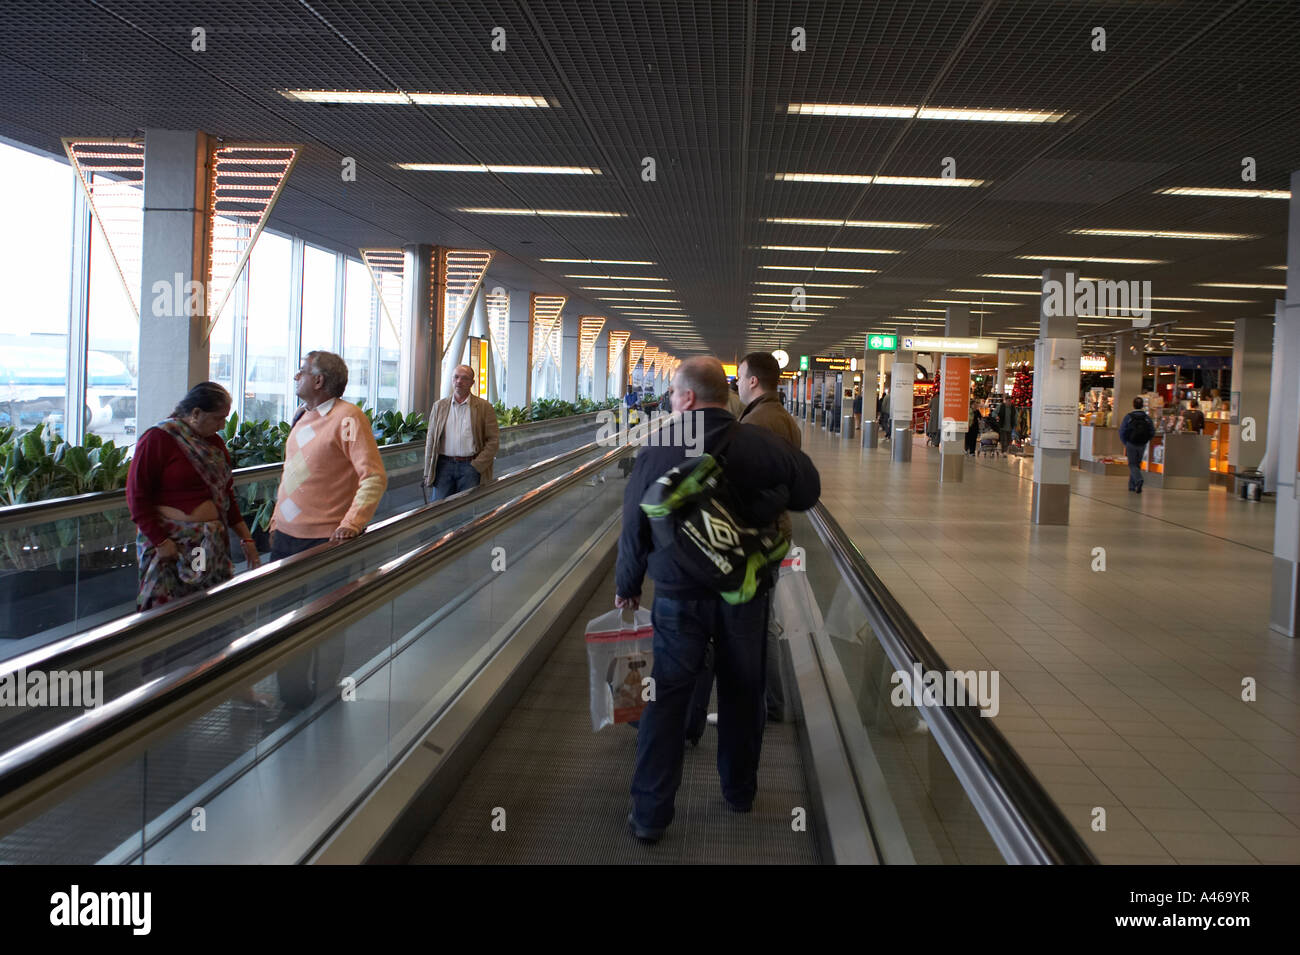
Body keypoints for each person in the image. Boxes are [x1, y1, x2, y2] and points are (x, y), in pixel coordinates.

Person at [616, 357, 820, 844]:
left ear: (687, 397)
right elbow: (808, 491)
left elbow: (633, 524)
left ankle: (650, 815)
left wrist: (628, 582)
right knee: (742, 689)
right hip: (744, 591)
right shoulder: (759, 442)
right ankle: (739, 792)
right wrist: (766, 501)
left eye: (672, 392)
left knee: (665, 698)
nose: (669, 400)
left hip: (677, 594)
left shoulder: (660, 447)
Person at [127, 381, 260, 611]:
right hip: (171, 545)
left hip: (205, 544)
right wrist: (160, 541)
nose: (222, 425)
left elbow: (225, 495)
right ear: (196, 413)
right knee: (165, 609)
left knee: (202, 604)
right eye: (218, 418)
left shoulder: (215, 444)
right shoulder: (158, 438)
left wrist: (246, 537)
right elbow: (136, 495)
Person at [271, 351, 387, 559]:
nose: (296, 377)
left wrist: (352, 523)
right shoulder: (301, 414)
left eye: (301, 372)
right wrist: (275, 521)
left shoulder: (348, 417)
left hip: (324, 538)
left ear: (318, 380)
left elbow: (373, 477)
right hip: (284, 535)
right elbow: (292, 471)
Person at [423, 363, 501, 501]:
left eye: (464, 378)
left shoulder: (484, 407)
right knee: (438, 511)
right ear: (452, 380)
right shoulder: (439, 407)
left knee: (467, 511)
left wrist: (477, 466)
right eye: (456, 377)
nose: (459, 381)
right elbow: (431, 441)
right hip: (443, 467)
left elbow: (493, 441)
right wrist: (427, 471)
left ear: (472, 382)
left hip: (470, 467)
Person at [1119, 396, 1154, 494]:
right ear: (1142, 405)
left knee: (1132, 464)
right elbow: (1152, 431)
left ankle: (1138, 480)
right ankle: (1132, 486)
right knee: (1137, 464)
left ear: (1133, 405)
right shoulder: (1147, 418)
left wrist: (1125, 442)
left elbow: (1122, 431)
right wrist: (1147, 440)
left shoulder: (1129, 417)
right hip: (1142, 443)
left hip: (1131, 443)